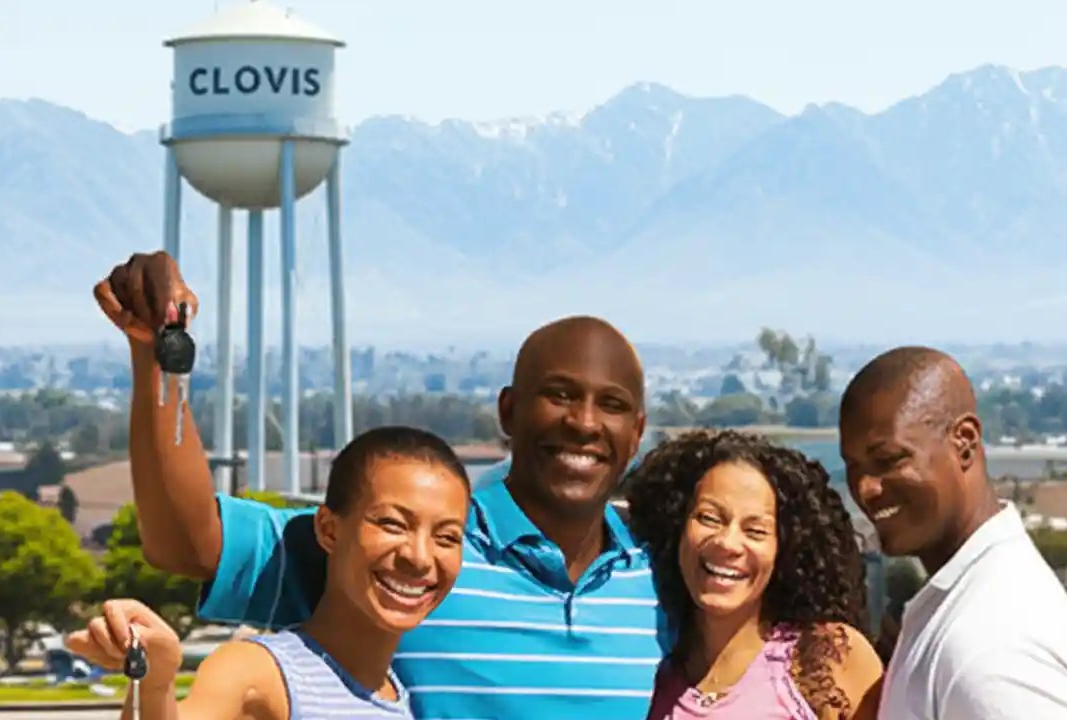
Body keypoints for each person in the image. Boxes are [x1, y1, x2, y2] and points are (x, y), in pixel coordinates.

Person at [93, 251, 665, 719]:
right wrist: (156, 357)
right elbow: (186, 541)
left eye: (611, 406)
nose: (585, 424)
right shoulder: (412, 545)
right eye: (560, 395)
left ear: (637, 433)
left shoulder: (668, 577)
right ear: (509, 412)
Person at [65, 425, 472, 719]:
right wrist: (154, 684)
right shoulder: (262, 671)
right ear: (329, 529)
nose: (419, 557)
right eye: (392, 524)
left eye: (447, 537)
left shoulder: (400, 698)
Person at [837, 346, 1067, 719]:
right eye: (853, 466)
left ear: (964, 441)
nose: (866, 487)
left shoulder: (998, 643)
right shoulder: (966, 606)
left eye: (889, 460)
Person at [626, 429, 883, 719]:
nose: (727, 543)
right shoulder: (644, 661)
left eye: (755, 531)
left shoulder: (828, 659)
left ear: (784, 549)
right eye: (709, 518)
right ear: (676, 528)